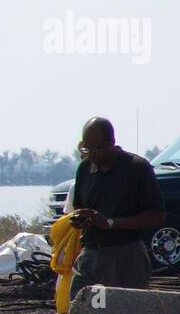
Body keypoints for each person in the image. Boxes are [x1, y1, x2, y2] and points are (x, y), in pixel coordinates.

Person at [69, 117, 165, 297]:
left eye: (96, 148)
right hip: (91, 255)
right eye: (86, 148)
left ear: (111, 142)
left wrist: (110, 223)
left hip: (126, 256)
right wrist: (80, 219)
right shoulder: (85, 169)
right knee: (81, 313)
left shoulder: (136, 168)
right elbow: (79, 206)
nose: (92, 154)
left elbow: (156, 216)